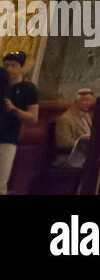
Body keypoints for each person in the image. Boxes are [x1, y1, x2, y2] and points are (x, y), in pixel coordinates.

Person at [0, 51, 38, 195]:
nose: (9, 69)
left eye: (14, 65)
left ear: (22, 67)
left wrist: (13, 109)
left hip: (8, 138)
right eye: (6, 65)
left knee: (1, 180)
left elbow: (33, 118)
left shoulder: (28, 89)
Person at [52, 88, 94, 168]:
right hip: (68, 157)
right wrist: (81, 144)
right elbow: (63, 143)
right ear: (76, 101)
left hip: (85, 155)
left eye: (90, 100)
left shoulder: (87, 115)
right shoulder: (66, 119)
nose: (88, 103)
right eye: (85, 100)